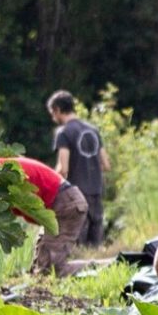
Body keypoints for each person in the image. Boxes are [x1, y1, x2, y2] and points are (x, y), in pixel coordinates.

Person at [0, 155, 90, 277]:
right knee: (40, 269)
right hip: (60, 200)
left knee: (50, 270)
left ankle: (103, 267)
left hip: (65, 203)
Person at [47, 91, 109, 246]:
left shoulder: (64, 133)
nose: (53, 117)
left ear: (57, 109)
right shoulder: (93, 130)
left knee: (77, 246)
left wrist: (47, 184)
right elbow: (106, 164)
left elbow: (63, 169)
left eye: (52, 113)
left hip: (77, 195)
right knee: (95, 245)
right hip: (96, 191)